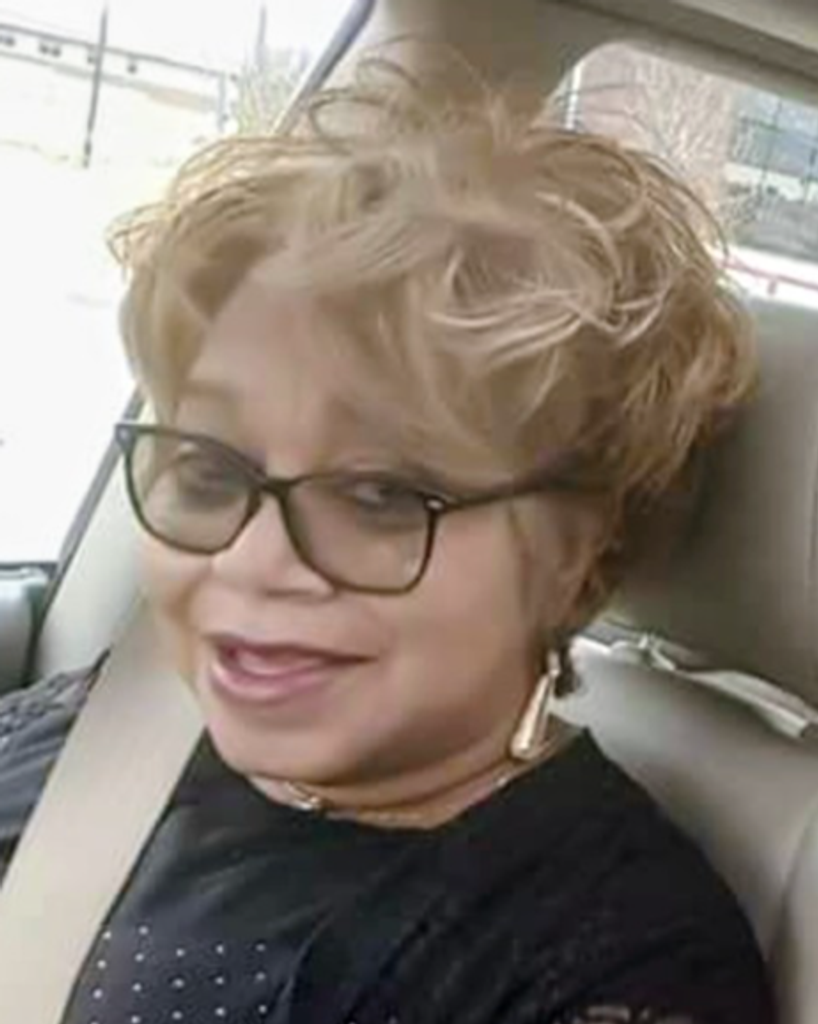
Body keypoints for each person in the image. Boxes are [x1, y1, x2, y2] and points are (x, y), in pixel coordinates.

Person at [0, 57, 773, 1024]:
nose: (250, 560)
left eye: (379, 495)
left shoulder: (612, 963)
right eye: (208, 471)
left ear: (577, 553)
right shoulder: (91, 723)